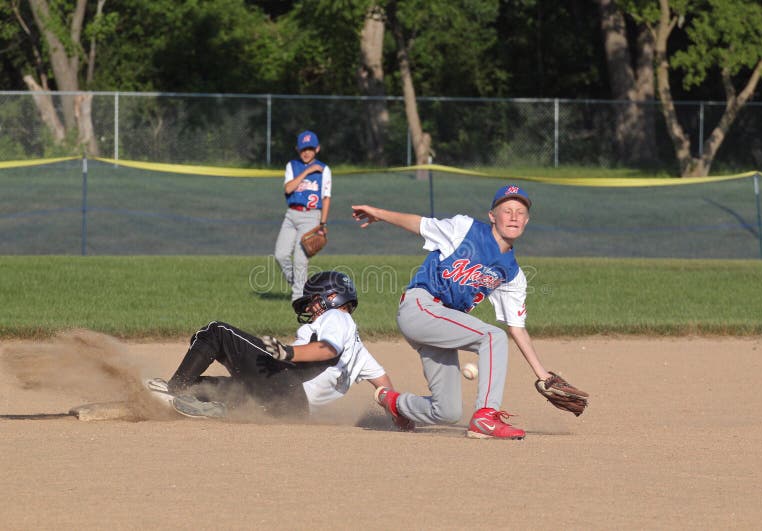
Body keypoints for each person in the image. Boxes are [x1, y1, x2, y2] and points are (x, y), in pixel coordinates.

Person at [352, 184, 587, 440]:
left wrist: (542, 375)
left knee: (446, 411)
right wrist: (378, 212)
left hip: (442, 323)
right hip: (420, 306)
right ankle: (486, 416)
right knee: (491, 336)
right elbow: (420, 224)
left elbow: (516, 328)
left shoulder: (512, 274)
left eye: (520, 212)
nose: (513, 216)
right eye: (506, 210)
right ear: (492, 216)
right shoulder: (464, 229)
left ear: (527, 221)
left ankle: (396, 404)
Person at [150, 271, 411, 428]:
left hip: (286, 387)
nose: (309, 308)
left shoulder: (337, 317)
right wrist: (398, 416)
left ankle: (173, 388)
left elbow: (328, 349)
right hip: (292, 409)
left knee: (217, 332)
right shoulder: (359, 349)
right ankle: (215, 406)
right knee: (210, 386)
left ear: (332, 297)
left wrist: (289, 353)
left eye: (313, 301)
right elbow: (383, 384)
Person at [274, 130, 331, 302]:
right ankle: (301, 285)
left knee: (300, 259)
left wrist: (322, 223)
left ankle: (298, 299)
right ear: (297, 149)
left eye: (310, 148)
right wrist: (307, 171)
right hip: (291, 215)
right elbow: (288, 189)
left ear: (317, 149)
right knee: (281, 255)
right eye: (303, 149)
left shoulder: (324, 169)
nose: (307, 152)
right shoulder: (292, 166)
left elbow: (326, 197)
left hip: (311, 216)